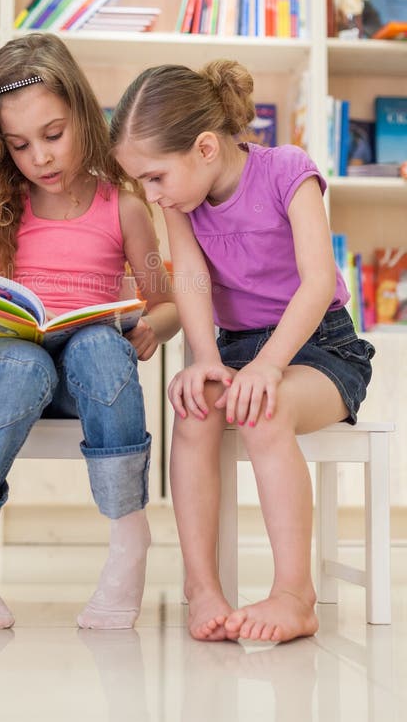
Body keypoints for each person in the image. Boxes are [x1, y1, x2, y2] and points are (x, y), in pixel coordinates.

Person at [110, 59, 375, 644]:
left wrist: (270, 365)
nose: (152, 195)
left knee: (267, 407)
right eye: (143, 183)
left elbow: (315, 282)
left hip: (319, 347)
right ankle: (201, 586)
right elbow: (193, 280)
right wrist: (205, 358)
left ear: (205, 148)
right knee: (196, 408)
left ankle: (294, 594)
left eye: (155, 178)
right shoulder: (182, 203)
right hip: (236, 347)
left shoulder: (289, 171)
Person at [0, 33, 178, 631]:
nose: (40, 156)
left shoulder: (124, 206)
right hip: (13, 373)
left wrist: (152, 330)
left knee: (96, 345)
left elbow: (166, 302)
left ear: (84, 115)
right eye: (19, 145)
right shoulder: (1, 209)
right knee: (21, 363)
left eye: (54, 134)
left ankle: (129, 542)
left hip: (91, 378)